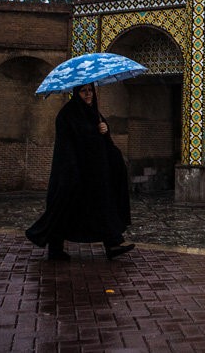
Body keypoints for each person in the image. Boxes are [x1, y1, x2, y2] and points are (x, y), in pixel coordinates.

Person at [26, 83, 133, 261]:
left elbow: (101, 143)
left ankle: (113, 243)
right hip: (74, 173)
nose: (88, 94)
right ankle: (55, 249)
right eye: (84, 91)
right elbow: (70, 145)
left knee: (101, 207)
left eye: (90, 91)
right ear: (76, 93)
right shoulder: (67, 115)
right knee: (65, 209)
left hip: (95, 175)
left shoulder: (94, 113)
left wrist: (105, 131)